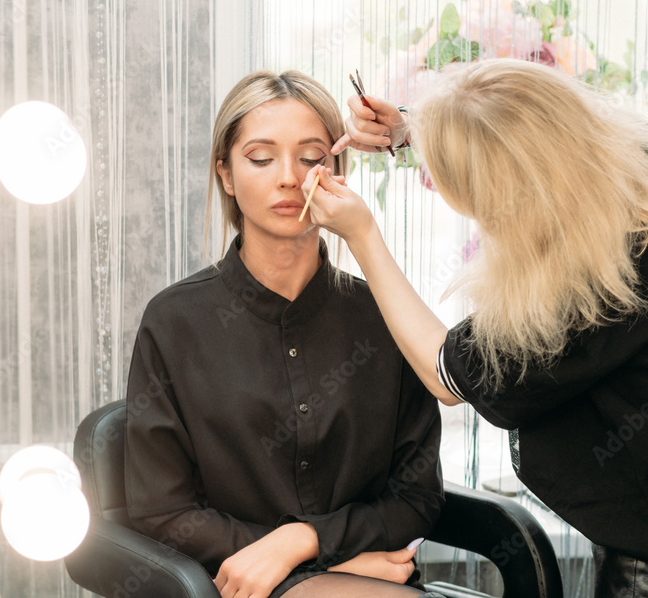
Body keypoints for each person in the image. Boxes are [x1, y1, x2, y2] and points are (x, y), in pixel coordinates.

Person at [302, 58, 648, 598]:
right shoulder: (644, 157)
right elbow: (519, 125)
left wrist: (363, 236)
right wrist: (412, 126)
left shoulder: (586, 293)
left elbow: (445, 373)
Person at [123, 70, 445, 598]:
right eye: (261, 158)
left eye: (311, 157)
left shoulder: (384, 318)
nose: (290, 178)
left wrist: (304, 543)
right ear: (226, 174)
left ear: (335, 172)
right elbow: (164, 513)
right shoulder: (174, 323)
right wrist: (322, 566)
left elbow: (417, 499)